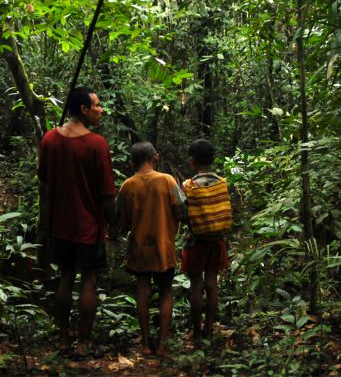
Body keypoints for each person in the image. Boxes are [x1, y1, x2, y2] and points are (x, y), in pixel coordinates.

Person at [37, 86, 116, 358]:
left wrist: (45, 224)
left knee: (65, 277)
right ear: (83, 109)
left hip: (60, 225)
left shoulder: (49, 140)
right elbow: (107, 193)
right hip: (88, 226)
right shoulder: (96, 144)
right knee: (89, 280)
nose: (101, 109)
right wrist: (113, 223)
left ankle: (62, 338)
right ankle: (82, 341)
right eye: (97, 105)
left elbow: (44, 184)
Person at [117, 141, 186, 356]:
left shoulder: (127, 186)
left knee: (142, 291)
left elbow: (121, 221)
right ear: (154, 157)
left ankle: (146, 344)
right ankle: (163, 344)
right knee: (166, 292)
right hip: (164, 247)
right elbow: (182, 210)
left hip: (139, 248)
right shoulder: (167, 180)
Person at [181, 139, 232, 347]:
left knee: (196, 287)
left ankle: (197, 333)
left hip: (196, 242)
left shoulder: (188, 186)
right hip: (217, 241)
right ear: (212, 160)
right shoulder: (222, 182)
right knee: (212, 285)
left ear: (192, 161)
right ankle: (209, 330)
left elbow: (184, 214)